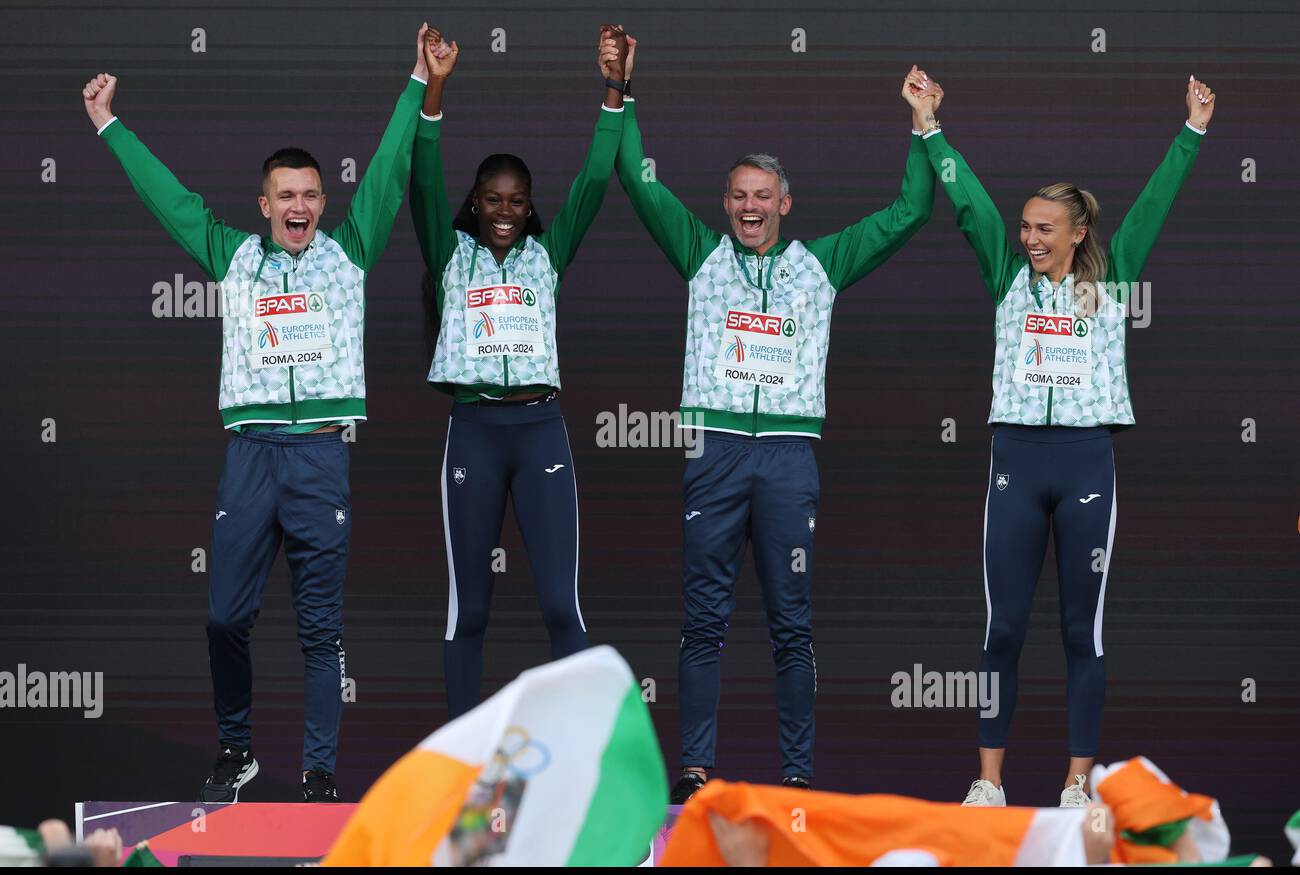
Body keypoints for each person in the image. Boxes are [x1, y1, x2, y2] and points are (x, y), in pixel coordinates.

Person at [81, 24, 435, 802]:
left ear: (322, 204)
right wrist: (111, 125)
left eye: (312, 195)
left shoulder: (350, 254)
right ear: (265, 204)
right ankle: (236, 749)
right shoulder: (233, 256)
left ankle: (316, 775)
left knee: (319, 632)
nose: (300, 206)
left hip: (320, 457)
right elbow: (169, 199)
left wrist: (416, 79)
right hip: (250, 456)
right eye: (287, 196)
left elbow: (388, 171)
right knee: (223, 619)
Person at [613, 37, 938, 801]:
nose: (750, 207)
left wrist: (923, 127)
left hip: (789, 458)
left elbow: (911, 211)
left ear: (784, 204)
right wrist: (620, 90)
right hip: (716, 452)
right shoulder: (699, 254)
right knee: (703, 623)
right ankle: (694, 770)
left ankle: (796, 775)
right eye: (738, 197)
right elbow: (635, 177)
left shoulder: (821, 264)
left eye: (763, 196)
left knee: (791, 624)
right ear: (724, 205)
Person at [912, 72, 1217, 807]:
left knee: (1085, 631)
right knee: (1004, 627)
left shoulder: (1112, 279)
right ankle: (988, 784)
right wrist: (928, 125)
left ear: (1079, 233)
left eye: (1045, 229)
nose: (1029, 238)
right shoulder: (1005, 273)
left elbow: (1153, 204)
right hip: (1016, 459)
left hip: (1087, 461)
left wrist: (1193, 131)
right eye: (1025, 228)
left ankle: (1078, 786)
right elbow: (968, 199)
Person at [411, 27, 629, 718]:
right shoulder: (449, 256)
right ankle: (457, 766)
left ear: (529, 206)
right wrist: (435, 84)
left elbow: (596, 179)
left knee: (561, 604)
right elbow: (422, 172)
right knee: (468, 607)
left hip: (541, 431)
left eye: (516, 201)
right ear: (474, 202)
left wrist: (614, 88)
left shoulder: (548, 255)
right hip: (474, 428)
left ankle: (581, 755)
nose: (505, 212)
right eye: (492, 200)